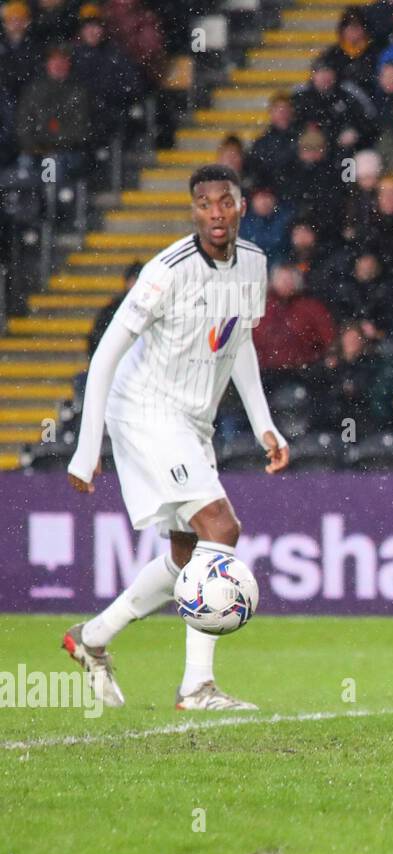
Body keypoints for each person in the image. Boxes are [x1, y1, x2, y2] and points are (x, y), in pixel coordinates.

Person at [63, 165, 288, 711]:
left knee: (189, 557)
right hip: (144, 410)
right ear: (193, 211)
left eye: (225, 202)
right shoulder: (166, 270)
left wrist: (264, 422)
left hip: (192, 421)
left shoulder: (254, 264)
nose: (215, 212)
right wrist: (87, 446)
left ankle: (91, 638)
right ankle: (197, 687)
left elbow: (239, 343)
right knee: (222, 527)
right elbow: (107, 353)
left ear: (241, 206)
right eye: (204, 203)